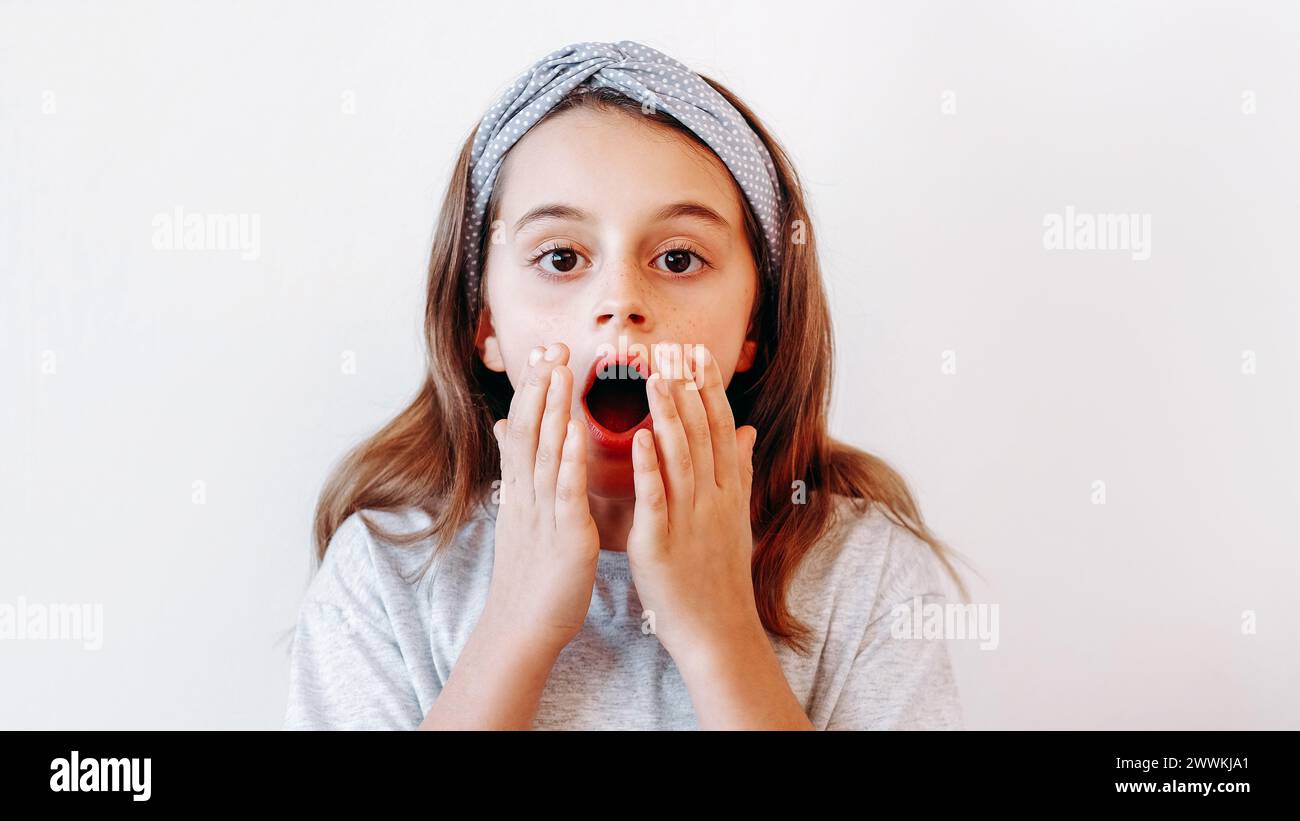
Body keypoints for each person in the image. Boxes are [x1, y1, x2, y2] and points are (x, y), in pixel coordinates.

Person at [283, 40, 970, 730]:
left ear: (754, 323)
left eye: (677, 257)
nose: (620, 300)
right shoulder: (384, 574)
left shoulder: (865, 575)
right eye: (560, 256)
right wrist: (516, 626)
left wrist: (719, 634)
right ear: (483, 322)